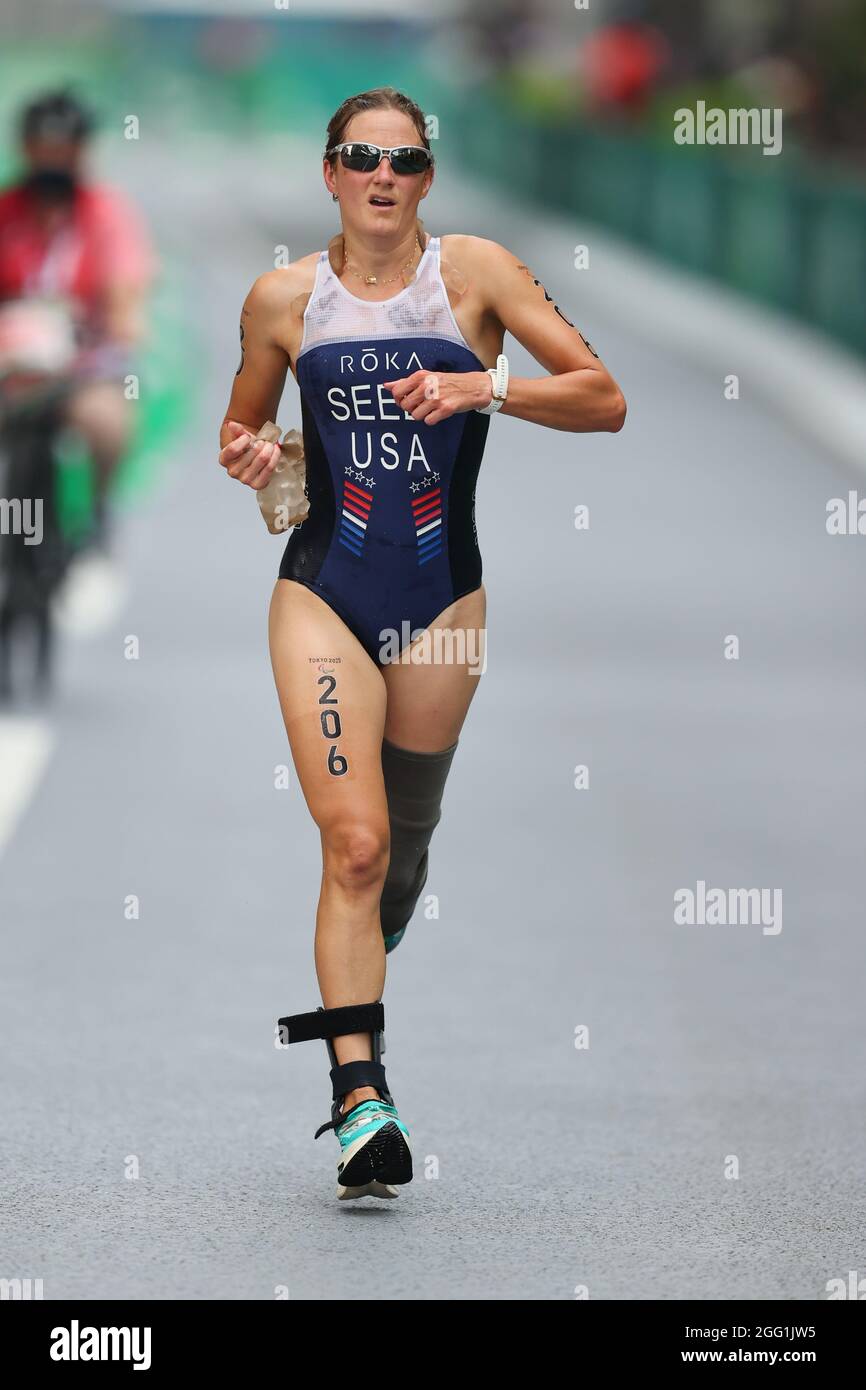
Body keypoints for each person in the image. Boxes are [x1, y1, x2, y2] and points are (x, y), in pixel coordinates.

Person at [218, 86, 626, 1200]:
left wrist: (481, 385)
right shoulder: (281, 299)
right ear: (330, 173)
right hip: (322, 590)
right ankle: (360, 1099)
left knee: (398, 843)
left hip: (443, 602)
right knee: (351, 845)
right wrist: (255, 456)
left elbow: (604, 399)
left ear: (426, 179)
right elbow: (243, 426)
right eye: (359, 157)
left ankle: (390, 895)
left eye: (401, 159)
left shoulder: (477, 275)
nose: (380, 175)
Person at [0, 89, 156, 557]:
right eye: (41, 147)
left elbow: (127, 284)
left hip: (80, 365)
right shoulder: (7, 210)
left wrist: (123, 317)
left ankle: (96, 516)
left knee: (107, 423)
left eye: (64, 147)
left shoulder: (105, 213)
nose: (53, 159)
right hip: (12, 367)